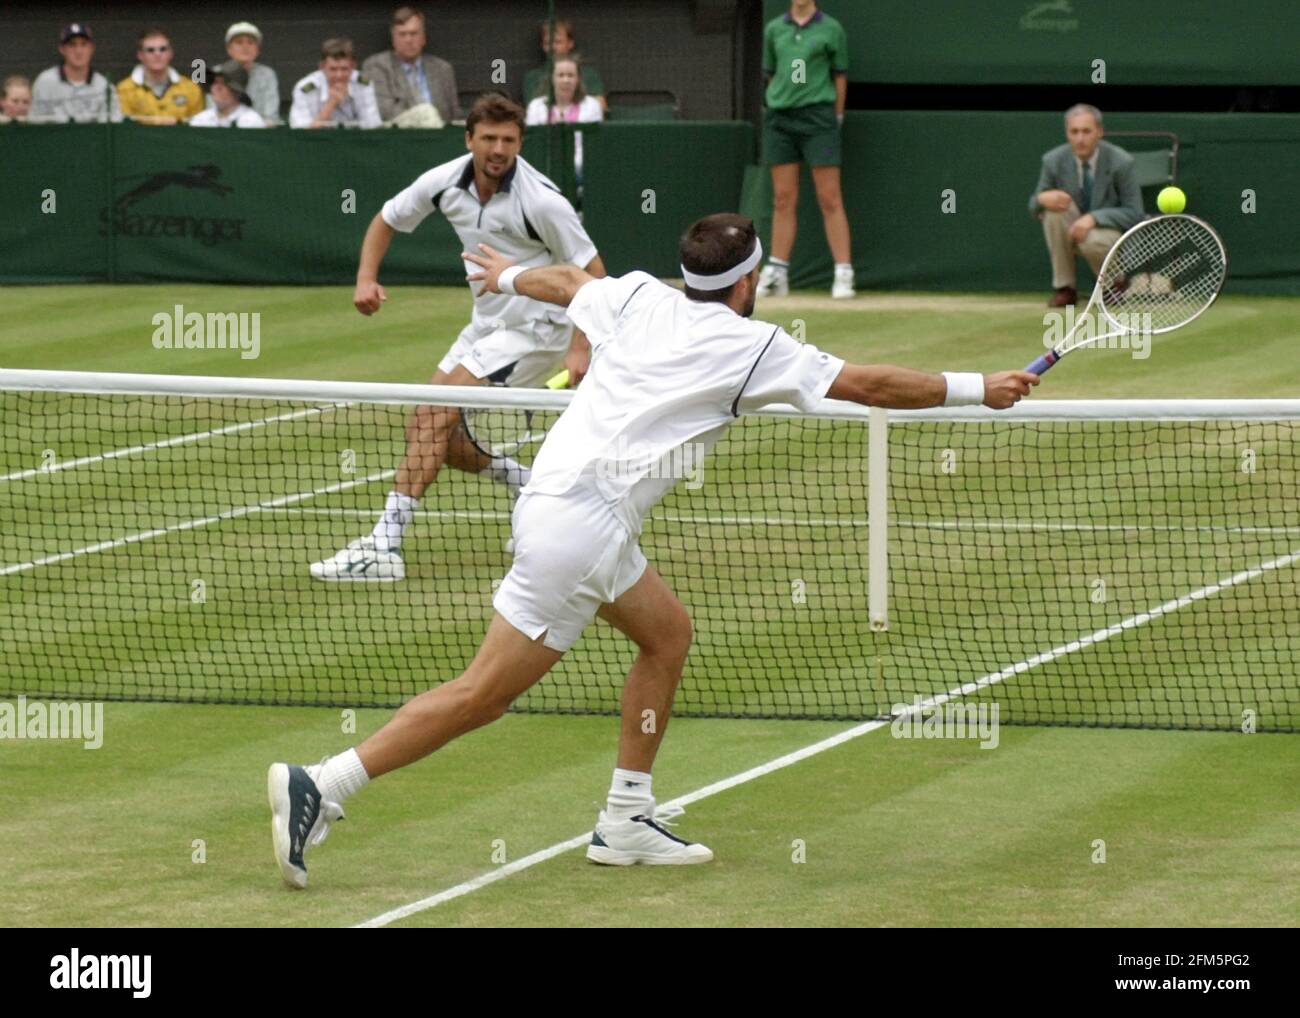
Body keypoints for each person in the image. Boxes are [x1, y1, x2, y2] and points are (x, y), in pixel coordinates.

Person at [269, 212, 1039, 887]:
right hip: (582, 528)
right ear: (747, 285)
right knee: (483, 695)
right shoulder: (755, 346)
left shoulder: (636, 293)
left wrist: (507, 275)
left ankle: (627, 819)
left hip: (559, 498)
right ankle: (326, 782)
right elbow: (869, 384)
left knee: (666, 633)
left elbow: (569, 282)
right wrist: (979, 387)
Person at [308, 94, 605, 584]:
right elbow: (385, 219)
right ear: (470, 139)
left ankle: (384, 544)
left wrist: (580, 346)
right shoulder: (445, 181)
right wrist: (366, 278)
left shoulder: (543, 201)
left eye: (509, 140)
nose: (498, 148)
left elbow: (592, 276)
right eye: (489, 138)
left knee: (435, 414)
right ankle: (530, 487)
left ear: (519, 144)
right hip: (487, 323)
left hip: (537, 330)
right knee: (437, 433)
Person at [755, 0, 854, 300]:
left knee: (829, 197)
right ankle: (778, 273)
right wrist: (781, 100)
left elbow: (840, 76)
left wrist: (835, 117)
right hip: (780, 120)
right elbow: (772, 74)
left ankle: (843, 272)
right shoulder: (774, 29)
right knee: (783, 198)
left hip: (818, 118)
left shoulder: (831, 29)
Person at [1029, 104, 1144, 307]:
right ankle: (1065, 289)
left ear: (1099, 132)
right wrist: (1041, 199)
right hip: (1069, 231)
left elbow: (1134, 213)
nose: (1080, 138)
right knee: (1053, 213)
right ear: (1067, 133)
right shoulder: (1052, 160)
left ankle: (1112, 286)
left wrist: (1094, 219)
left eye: (1086, 131)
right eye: (1074, 132)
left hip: (1106, 233)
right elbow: (1033, 206)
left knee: (1091, 240)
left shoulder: (1122, 162)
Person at [362, 6, 459, 126]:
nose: (408, 40)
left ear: (423, 38)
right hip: (398, 139)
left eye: (413, 34)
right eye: (402, 34)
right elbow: (385, 112)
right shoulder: (376, 66)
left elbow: (454, 115)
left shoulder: (443, 69)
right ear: (393, 39)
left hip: (441, 138)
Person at [524, 55, 603, 187]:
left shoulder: (592, 105)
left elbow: (591, 148)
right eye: (560, 75)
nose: (566, 80)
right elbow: (534, 144)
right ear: (552, 79)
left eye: (571, 75)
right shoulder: (536, 106)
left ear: (578, 79)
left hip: (580, 173)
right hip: (542, 171)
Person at [29, 23, 121, 124]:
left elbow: (112, 127)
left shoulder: (104, 86)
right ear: (62, 49)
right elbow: (35, 124)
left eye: (84, 44)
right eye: (72, 45)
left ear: (92, 49)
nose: (78, 51)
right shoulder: (45, 82)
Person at [116, 27, 204, 125]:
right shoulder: (124, 89)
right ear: (140, 55)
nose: (157, 54)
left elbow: (198, 128)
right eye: (150, 50)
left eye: (163, 49)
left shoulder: (191, 89)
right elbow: (125, 128)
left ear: (171, 53)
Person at [289, 38, 381, 129]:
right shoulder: (305, 88)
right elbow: (300, 131)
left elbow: (372, 125)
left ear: (353, 66)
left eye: (344, 69)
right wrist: (331, 103)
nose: (339, 75)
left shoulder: (363, 84)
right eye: (333, 69)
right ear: (322, 67)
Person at [522, 17, 605, 112]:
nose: (552, 47)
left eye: (557, 42)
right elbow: (533, 111)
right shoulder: (532, 77)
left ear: (570, 43)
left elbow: (600, 107)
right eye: (547, 43)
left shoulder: (589, 74)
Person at [221, 21, 280, 126]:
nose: (245, 47)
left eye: (251, 42)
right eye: (239, 42)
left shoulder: (267, 74)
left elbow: (271, 117)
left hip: (260, 133)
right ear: (229, 49)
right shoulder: (216, 74)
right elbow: (213, 115)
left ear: (258, 50)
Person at [190, 61, 267, 128]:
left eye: (224, 84)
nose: (217, 88)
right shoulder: (201, 119)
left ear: (238, 92)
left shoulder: (251, 121)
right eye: (215, 82)